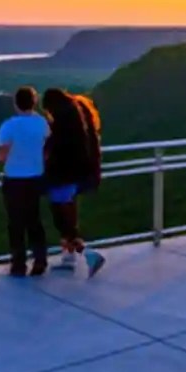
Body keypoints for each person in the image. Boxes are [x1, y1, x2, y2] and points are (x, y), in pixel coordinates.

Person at [0, 86, 51, 277]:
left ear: (16, 104)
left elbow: (3, 154)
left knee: (16, 223)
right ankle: (40, 260)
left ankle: (18, 264)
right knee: (35, 221)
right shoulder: (42, 123)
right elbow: (46, 147)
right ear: (34, 102)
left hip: (14, 179)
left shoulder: (9, 125)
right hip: (36, 177)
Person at [41, 88, 106, 278]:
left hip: (63, 175)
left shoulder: (63, 124)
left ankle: (88, 254)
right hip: (77, 175)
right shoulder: (78, 116)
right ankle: (68, 257)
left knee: (64, 221)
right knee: (68, 217)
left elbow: (53, 148)